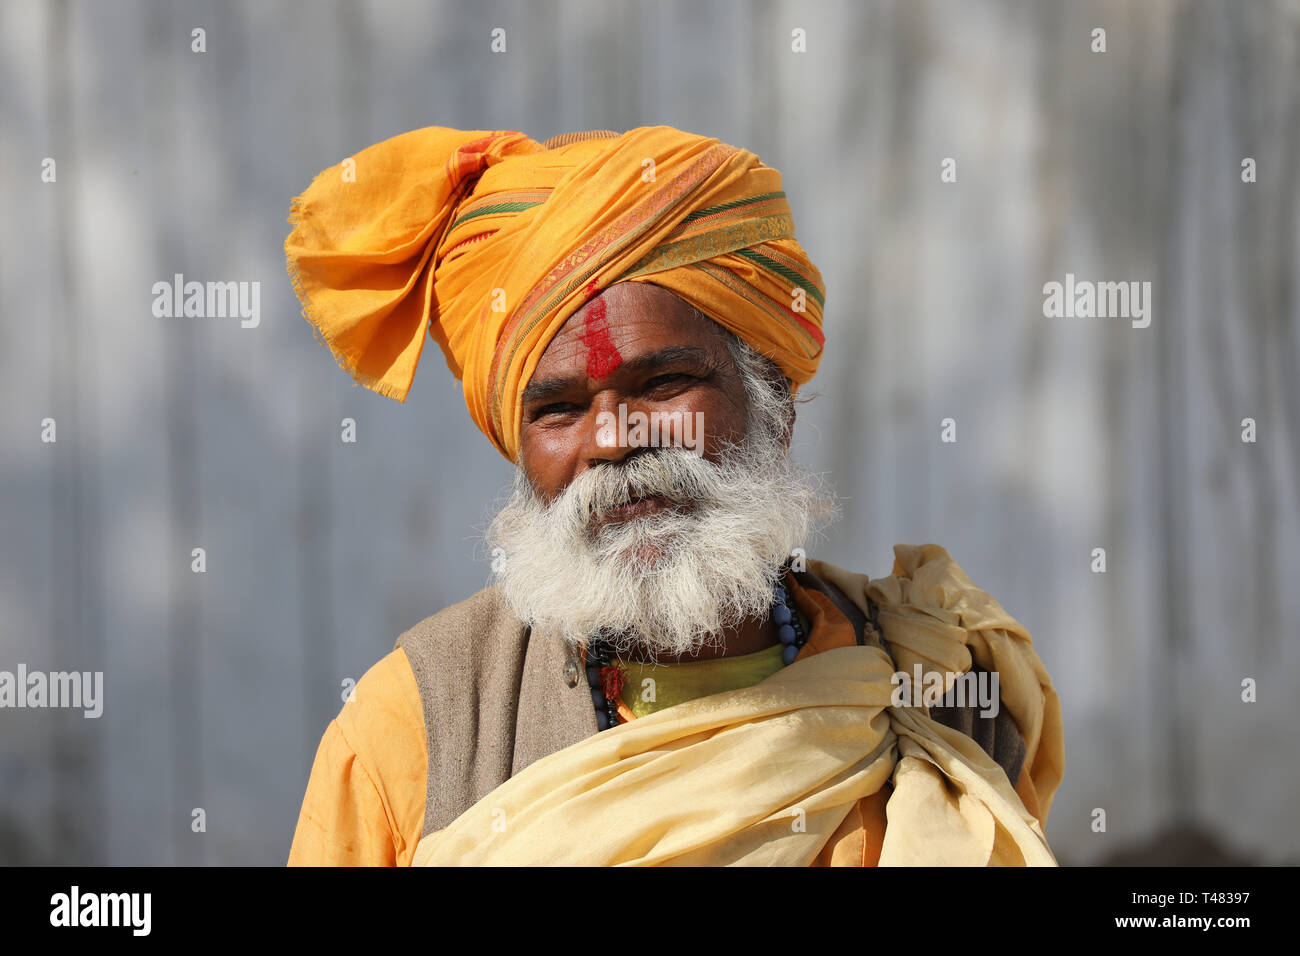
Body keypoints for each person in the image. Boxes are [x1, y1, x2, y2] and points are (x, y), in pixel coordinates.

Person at [283, 125, 1064, 866]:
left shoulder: (945, 687)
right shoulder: (419, 727)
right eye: (558, 409)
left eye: (662, 383)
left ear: (774, 408)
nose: (615, 439)